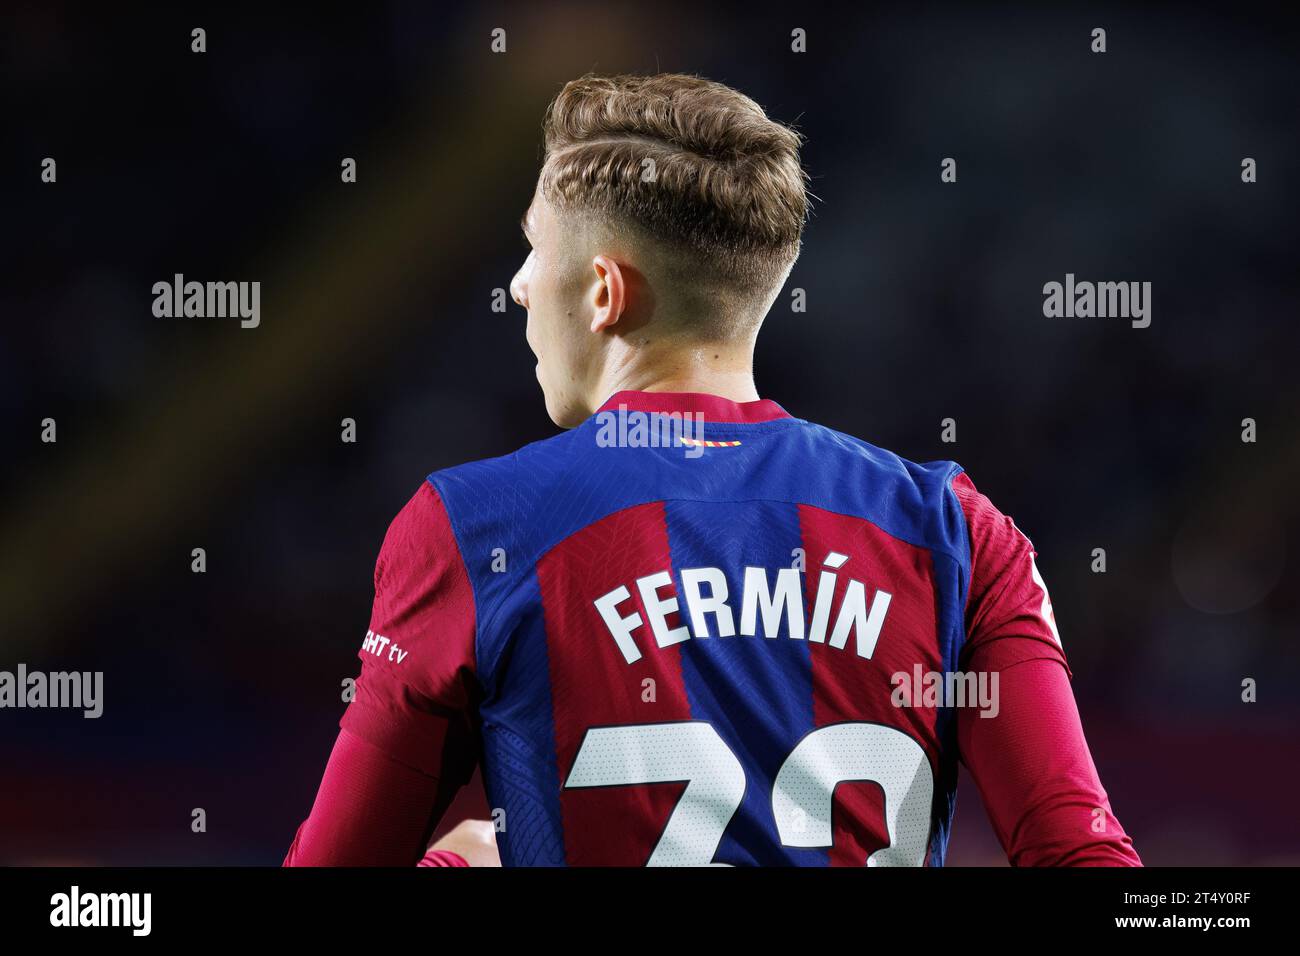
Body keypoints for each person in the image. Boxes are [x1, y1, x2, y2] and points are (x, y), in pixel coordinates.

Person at [285, 73, 1140, 867]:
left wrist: (461, 863)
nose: (515, 286)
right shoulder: (953, 531)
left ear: (603, 293)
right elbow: (1090, 862)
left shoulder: (475, 527)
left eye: (532, 249)